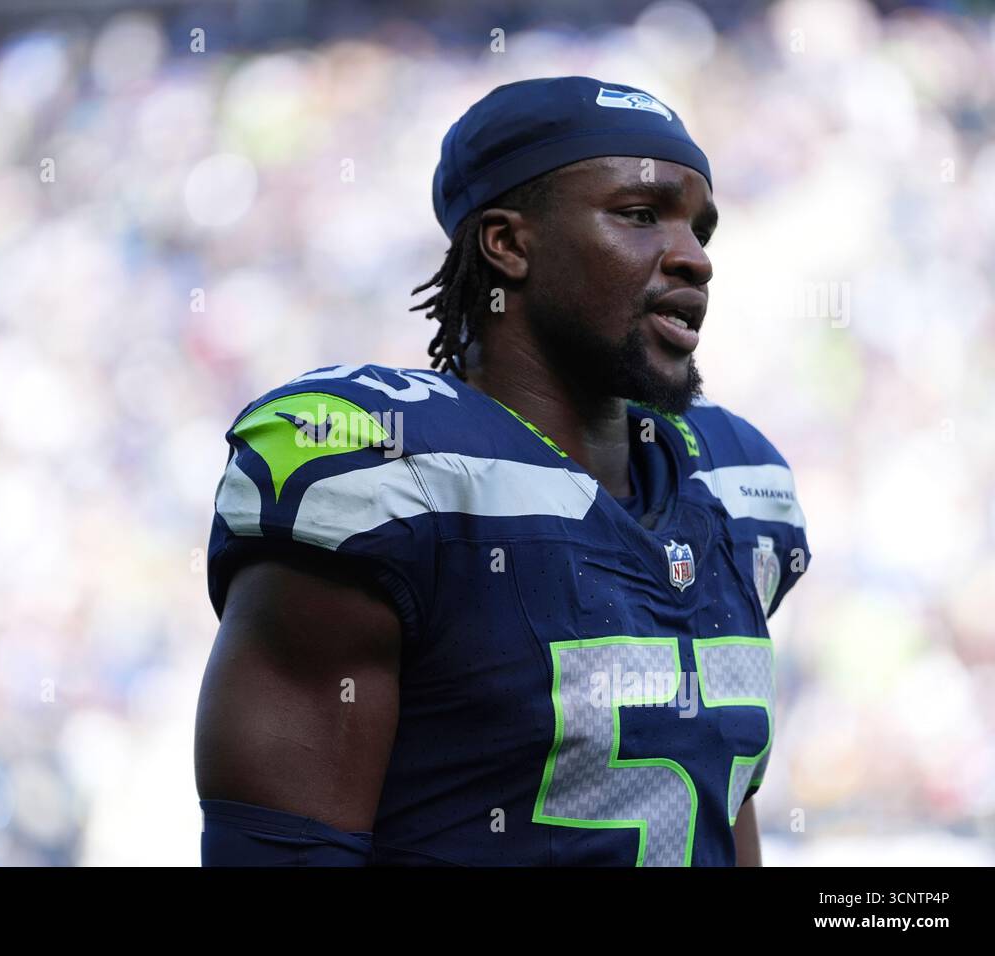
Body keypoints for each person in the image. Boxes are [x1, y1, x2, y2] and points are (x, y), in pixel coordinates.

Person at [195, 76, 812, 866]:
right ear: (508, 244)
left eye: (701, 227)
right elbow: (281, 853)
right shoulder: (389, 473)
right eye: (638, 214)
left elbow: (717, 814)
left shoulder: (734, 485)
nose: (694, 258)